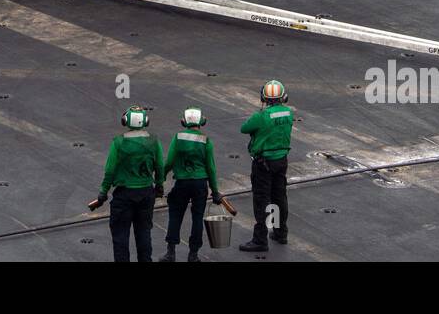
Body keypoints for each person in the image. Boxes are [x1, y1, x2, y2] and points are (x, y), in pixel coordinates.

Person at [88, 105, 164, 262]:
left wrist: (103, 193)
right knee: (144, 233)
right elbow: (160, 166)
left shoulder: (118, 143)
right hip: (146, 193)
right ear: (146, 121)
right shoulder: (153, 141)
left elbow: (110, 170)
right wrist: (159, 186)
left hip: (124, 196)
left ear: (125, 121)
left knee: (120, 236)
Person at [160, 107, 226, 263]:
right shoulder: (206, 140)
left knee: (175, 215)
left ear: (184, 121)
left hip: (182, 183)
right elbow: (211, 168)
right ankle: (193, 254)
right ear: (202, 121)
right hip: (200, 184)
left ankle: (170, 253)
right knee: (197, 218)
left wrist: (159, 181)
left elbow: (169, 162)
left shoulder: (178, 137)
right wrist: (215, 191)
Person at [239, 79, 293, 252]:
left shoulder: (261, 116)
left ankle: (260, 240)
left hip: (263, 163)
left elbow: (244, 128)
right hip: (281, 161)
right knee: (279, 197)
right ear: (283, 97)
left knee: (261, 200)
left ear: (264, 98)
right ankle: (280, 233)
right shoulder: (288, 113)